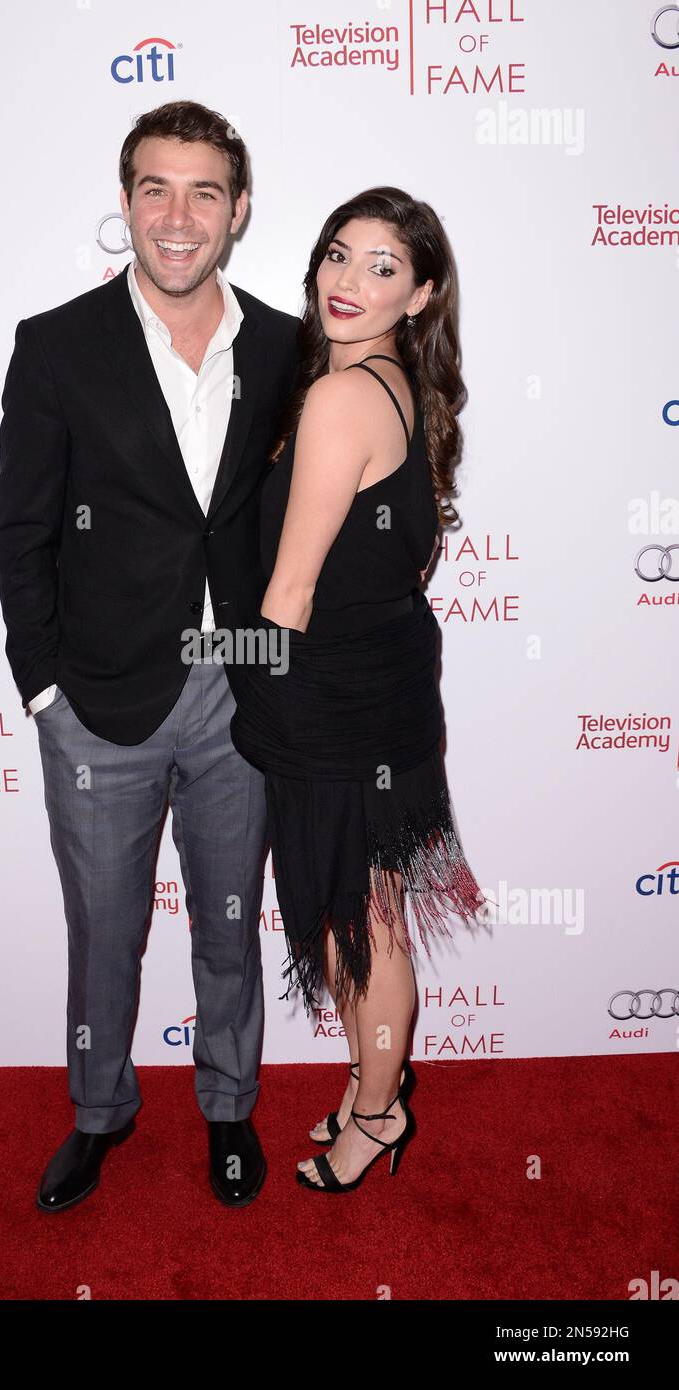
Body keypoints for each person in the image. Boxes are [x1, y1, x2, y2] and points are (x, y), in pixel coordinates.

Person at [0, 100, 299, 1211]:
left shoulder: (284, 346)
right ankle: (99, 1110)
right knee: (104, 933)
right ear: (125, 203)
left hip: (239, 689)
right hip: (100, 695)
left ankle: (228, 1106)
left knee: (229, 922)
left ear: (239, 210)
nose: (179, 217)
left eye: (204, 191)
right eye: (156, 189)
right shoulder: (56, 344)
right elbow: (22, 530)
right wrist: (45, 690)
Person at [230, 187, 486, 1193]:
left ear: (420, 294)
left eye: (383, 267)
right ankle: (369, 1079)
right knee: (358, 913)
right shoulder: (394, 387)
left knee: (360, 928)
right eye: (340, 254)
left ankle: (378, 1114)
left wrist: (186, 669)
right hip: (376, 701)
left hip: (331, 710)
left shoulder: (342, 397)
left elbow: (287, 599)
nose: (349, 280)